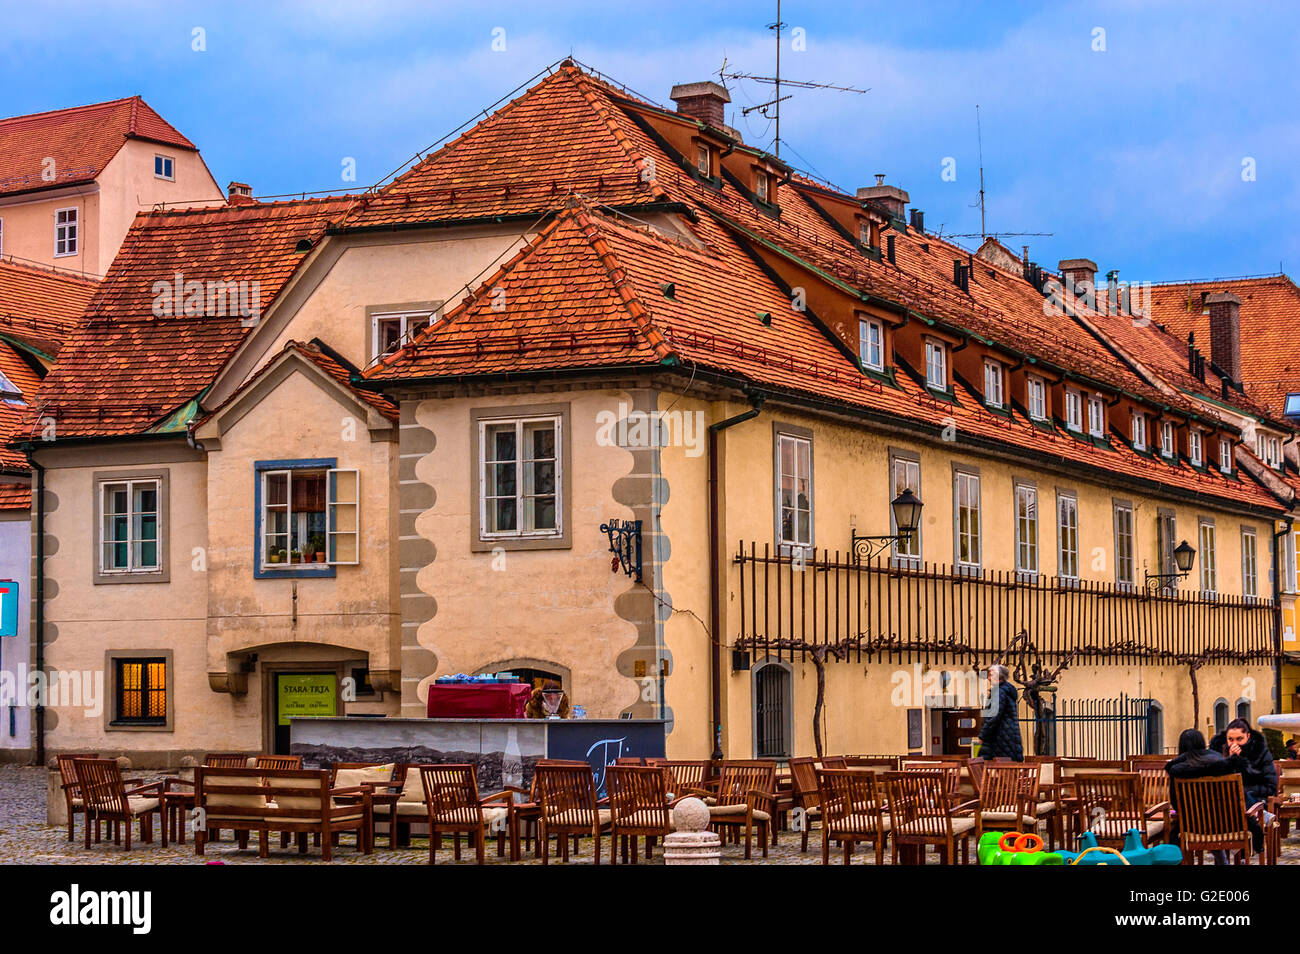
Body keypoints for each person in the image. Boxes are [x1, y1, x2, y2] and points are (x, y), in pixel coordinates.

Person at [1209, 718, 1277, 811]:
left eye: (1239, 739)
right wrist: (1230, 761)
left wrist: (1243, 790)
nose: (1234, 744)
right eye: (1230, 739)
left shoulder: (1259, 752)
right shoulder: (1218, 752)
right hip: (1224, 801)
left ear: (1248, 736)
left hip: (1254, 800)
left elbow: (1270, 786)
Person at [977, 664, 1024, 761]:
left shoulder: (999, 692)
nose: (989, 679)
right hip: (1007, 737)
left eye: (991, 675)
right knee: (1006, 769)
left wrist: (983, 735)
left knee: (985, 767)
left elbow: (993, 716)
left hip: (999, 738)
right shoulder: (1006, 691)